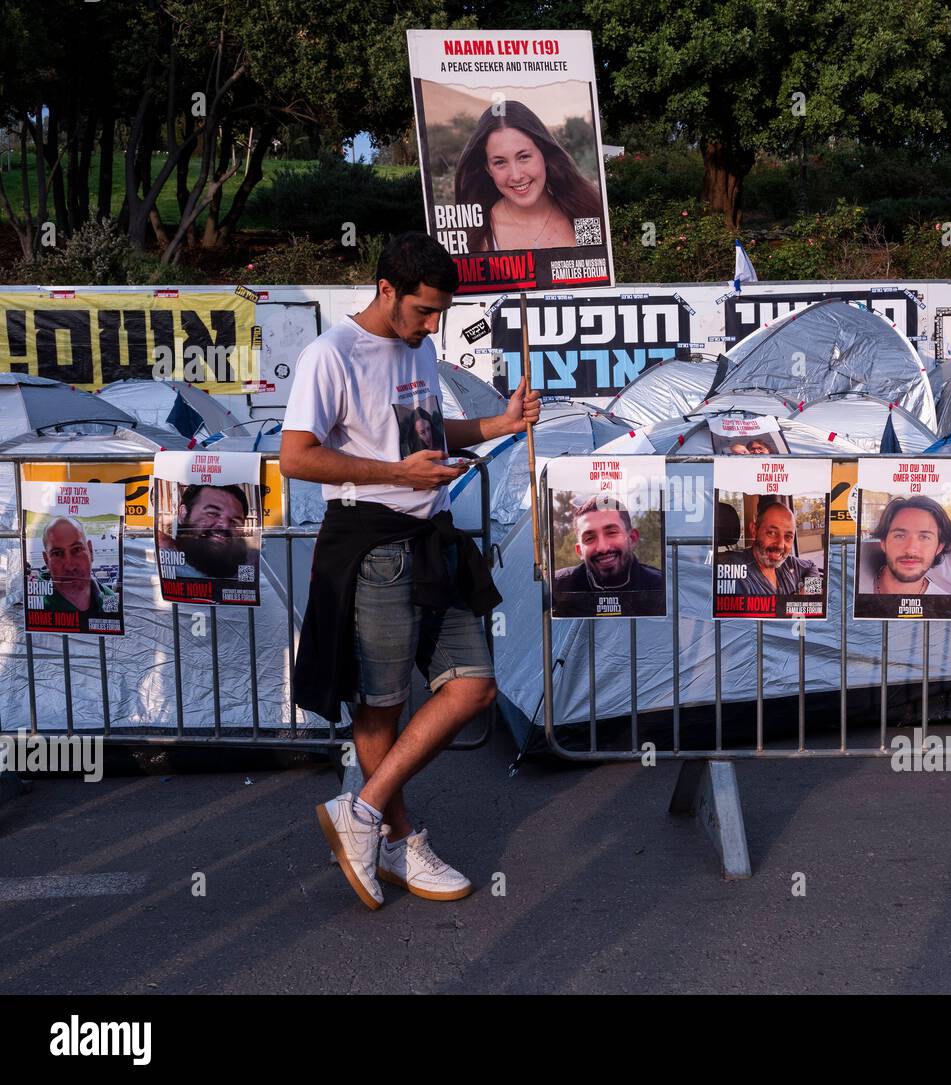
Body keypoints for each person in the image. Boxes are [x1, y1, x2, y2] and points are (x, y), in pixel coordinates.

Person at [280, 231, 541, 911]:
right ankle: (397, 838)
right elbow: (297, 457)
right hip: (370, 543)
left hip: (430, 538)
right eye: (425, 310)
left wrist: (497, 423)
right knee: (382, 704)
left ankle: (361, 813)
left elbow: (421, 435)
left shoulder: (420, 347)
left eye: (442, 314)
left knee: (473, 687)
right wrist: (396, 472)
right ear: (386, 289)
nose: (434, 326)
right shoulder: (328, 354)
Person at [454, 100, 604, 252]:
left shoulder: (582, 215)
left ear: (544, 154)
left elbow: (600, 271)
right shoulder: (477, 234)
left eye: (524, 157)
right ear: (488, 169)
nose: (516, 175)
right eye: (500, 162)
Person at [552, 497, 664, 616]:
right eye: (589, 538)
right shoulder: (556, 587)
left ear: (632, 538)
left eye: (611, 533)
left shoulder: (662, 586)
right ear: (579, 551)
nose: (603, 548)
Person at [857, 496, 951, 617]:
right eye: (900, 536)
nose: (911, 549)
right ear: (883, 542)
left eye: (924, 537)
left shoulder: (947, 608)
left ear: (939, 547)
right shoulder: (852, 586)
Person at [718, 499, 819, 596]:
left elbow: (811, 566)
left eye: (788, 537)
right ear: (754, 530)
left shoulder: (788, 563)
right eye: (772, 533)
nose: (780, 545)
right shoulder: (732, 572)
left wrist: (808, 592)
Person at [156, 484, 251, 580]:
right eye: (212, 513)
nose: (225, 526)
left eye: (235, 522)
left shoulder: (252, 570)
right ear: (183, 514)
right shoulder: (153, 561)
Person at [33, 517, 118, 617]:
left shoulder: (109, 597)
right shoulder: (36, 606)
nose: (70, 566)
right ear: (46, 561)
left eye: (77, 549)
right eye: (57, 553)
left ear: (90, 551)